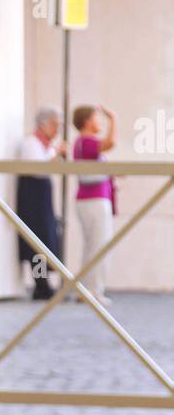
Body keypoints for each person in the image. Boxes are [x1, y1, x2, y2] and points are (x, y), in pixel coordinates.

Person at [16, 106, 66, 299]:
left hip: (42, 196)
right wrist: (56, 154)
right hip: (32, 197)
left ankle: (44, 282)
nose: (57, 129)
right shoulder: (31, 143)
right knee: (34, 241)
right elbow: (36, 168)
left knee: (46, 238)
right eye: (55, 124)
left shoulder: (45, 145)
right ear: (43, 124)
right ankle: (40, 284)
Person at [72, 104, 117, 305]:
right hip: (94, 200)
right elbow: (111, 143)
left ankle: (87, 290)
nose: (99, 122)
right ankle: (93, 291)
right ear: (88, 121)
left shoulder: (81, 143)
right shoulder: (87, 140)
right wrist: (113, 119)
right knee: (99, 245)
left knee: (92, 245)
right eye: (96, 118)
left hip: (89, 200)